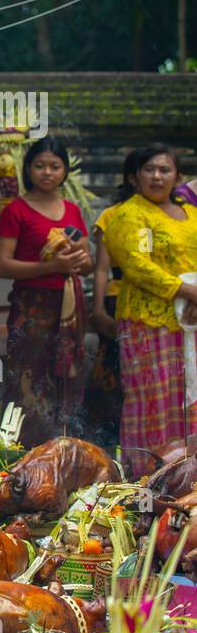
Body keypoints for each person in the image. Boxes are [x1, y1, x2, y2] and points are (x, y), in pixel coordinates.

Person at [104, 144, 197, 478]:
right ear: (135, 176)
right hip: (149, 322)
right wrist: (187, 290)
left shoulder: (191, 212)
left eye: (165, 170)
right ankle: (146, 480)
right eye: (150, 170)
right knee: (152, 402)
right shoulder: (130, 214)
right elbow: (137, 265)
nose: (157, 176)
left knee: (188, 399)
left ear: (178, 177)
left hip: (189, 321)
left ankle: (186, 479)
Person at [0, 137, 94, 446]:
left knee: (68, 376)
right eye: (39, 166)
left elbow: (87, 263)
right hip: (32, 307)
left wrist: (78, 261)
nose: (47, 173)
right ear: (28, 169)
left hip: (69, 304)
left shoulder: (74, 211)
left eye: (54, 166)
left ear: (64, 171)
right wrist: (49, 267)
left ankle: (67, 450)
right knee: (28, 377)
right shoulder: (16, 211)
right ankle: (25, 454)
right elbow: (2, 265)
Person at [83, 151, 146, 448]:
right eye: (146, 171)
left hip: (161, 302)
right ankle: (106, 439)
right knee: (112, 370)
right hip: (117, 299)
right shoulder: (113, 215)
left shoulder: (174, 214)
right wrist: (97, 309)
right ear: (133, 177)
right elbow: (102, 268)